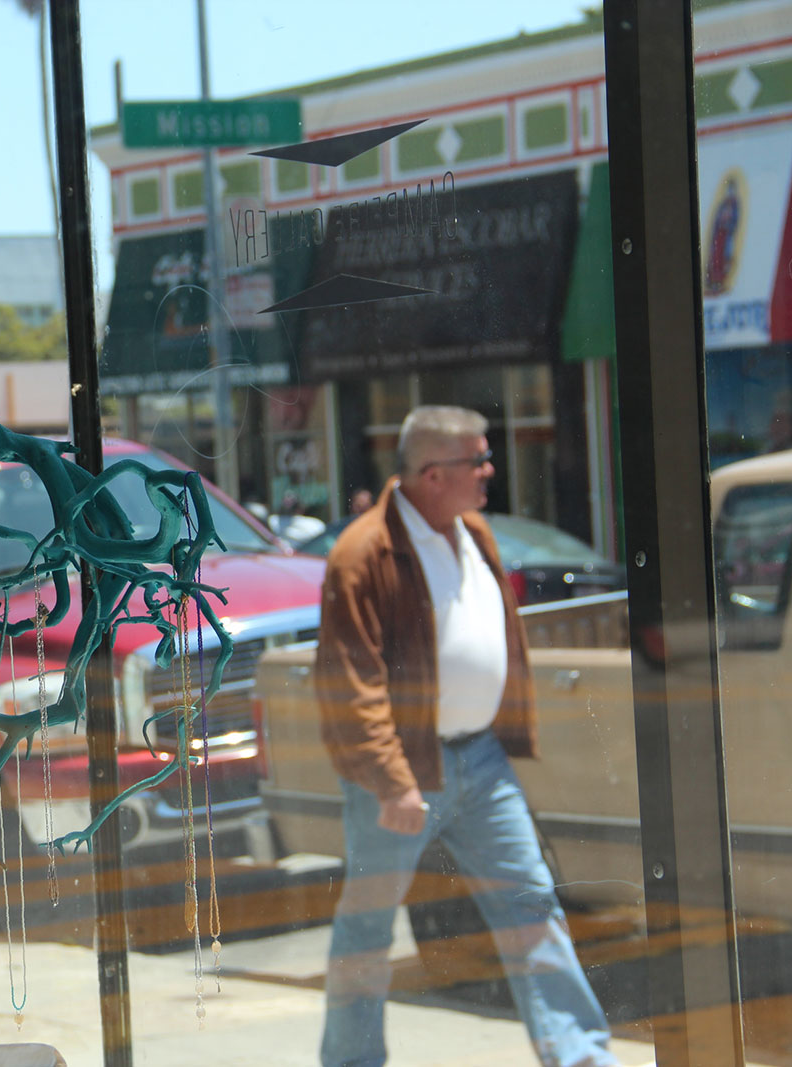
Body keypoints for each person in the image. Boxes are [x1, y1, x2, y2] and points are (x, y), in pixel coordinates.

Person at [316, 406, 620, 1067]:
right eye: (476, 460)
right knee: (368, 926)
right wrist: (392, 778)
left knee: (532, 906)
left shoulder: (471, 529)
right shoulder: (362, 553)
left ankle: (581, 1056)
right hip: (402, 768)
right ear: (432, 474)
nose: (489, 471)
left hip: (480, 760)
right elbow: (350, 681)